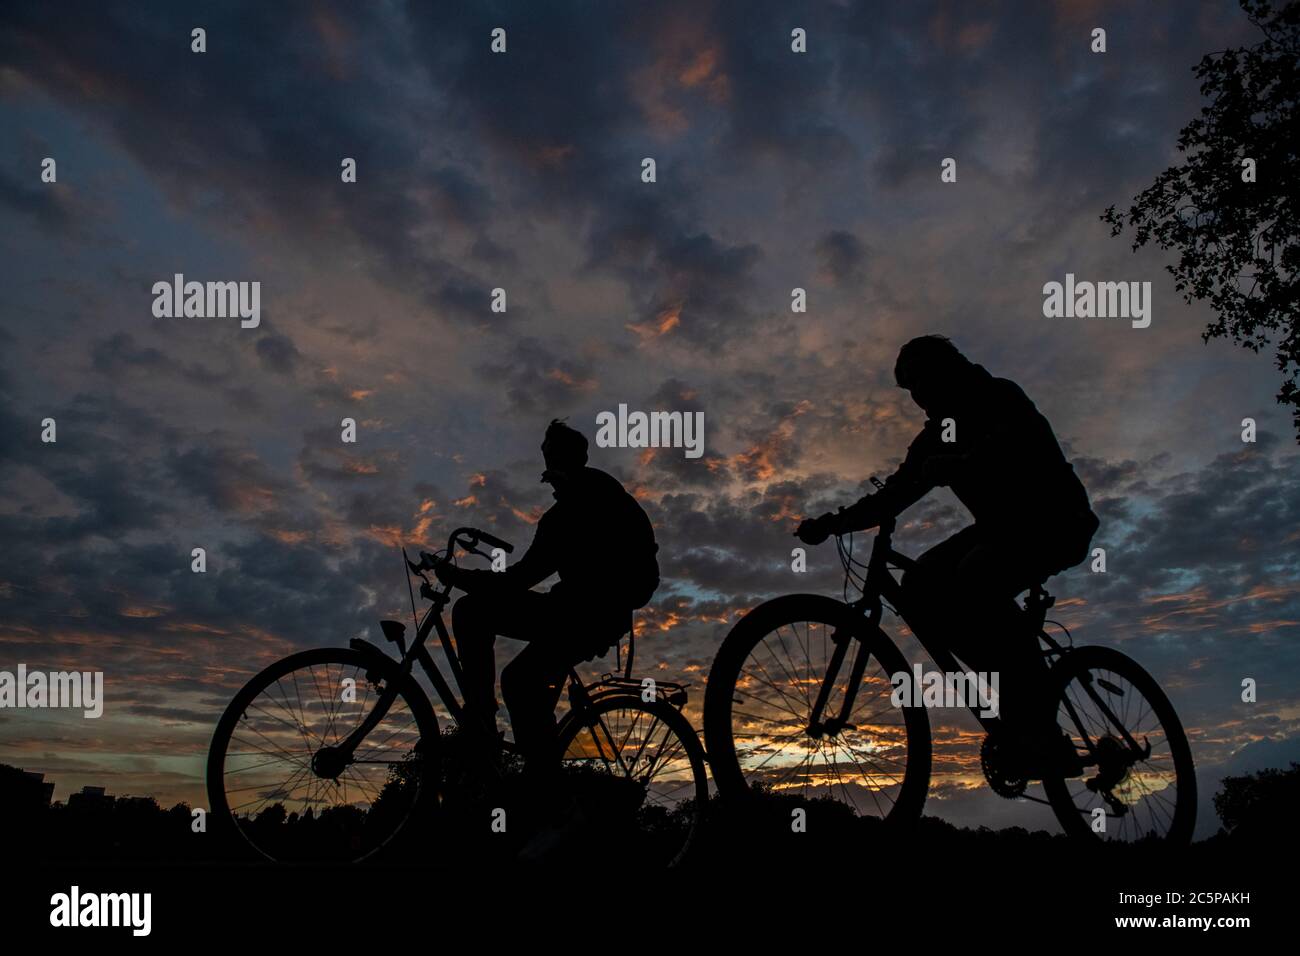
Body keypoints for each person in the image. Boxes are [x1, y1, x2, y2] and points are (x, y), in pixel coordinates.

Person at [796, 335, 1099, 768]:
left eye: (921, 382)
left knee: (976, 577)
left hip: (1055, 520)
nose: (918, 397)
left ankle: (1037, 720)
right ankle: (1015, 682)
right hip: (998, 530)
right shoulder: (934, 437)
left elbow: (1010, 443)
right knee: (918, 585)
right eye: (911, 390)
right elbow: (896, 493)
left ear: (948, 369)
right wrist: (834, 523)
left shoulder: (999, 395)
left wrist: (962, 462)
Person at [434, 419, 660, 814]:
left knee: (513, 670)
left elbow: (521, 578)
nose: (550, 478)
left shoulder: (586, 501)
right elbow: (526, 577)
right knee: (485, 628)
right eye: (547, 463)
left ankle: (542, 792)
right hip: (571, 611)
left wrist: (461, 577)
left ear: (572, 460)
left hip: (587, 616)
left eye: (554, 462)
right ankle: (497, 737)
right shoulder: (580, 502)